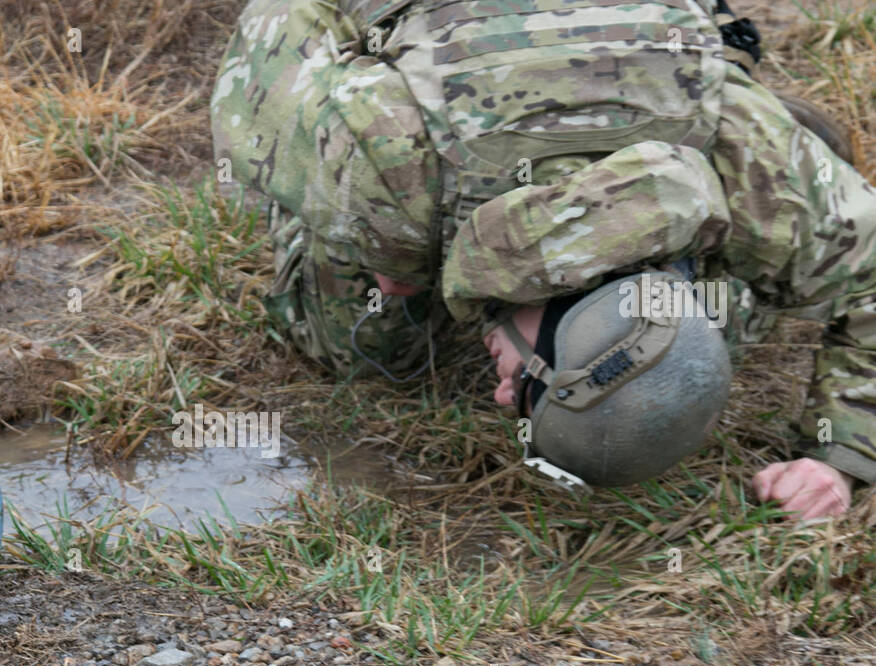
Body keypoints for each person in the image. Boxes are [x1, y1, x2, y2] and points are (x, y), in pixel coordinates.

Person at [211, 0, 874, 519]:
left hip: (665, 73)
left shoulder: (750, 171)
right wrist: (357, 219)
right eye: (526, 392)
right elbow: (268, 46)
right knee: (358, 344)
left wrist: (840, 455)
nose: (499, 394)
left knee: (723, 325)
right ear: (564, 339)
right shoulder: (394, 170)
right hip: (424, 119)